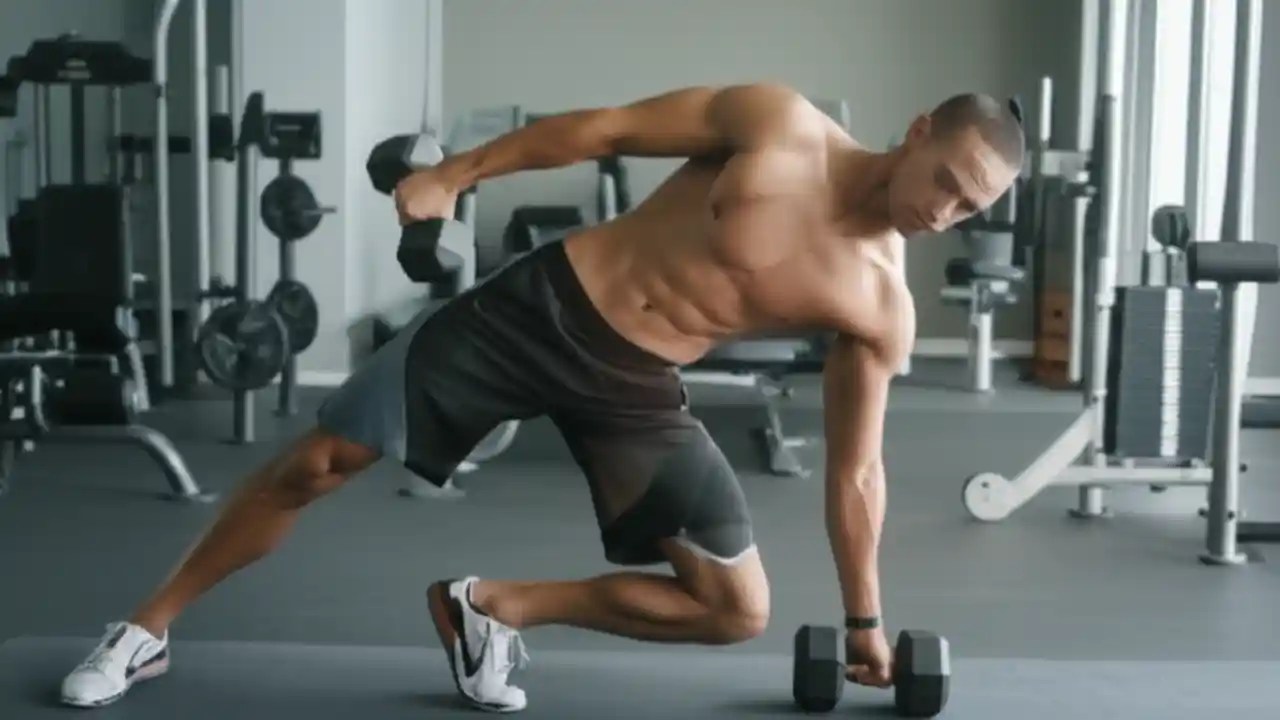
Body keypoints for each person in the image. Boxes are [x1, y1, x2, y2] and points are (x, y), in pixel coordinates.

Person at [60, 83, 1023, 712]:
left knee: (735, 610)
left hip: (638, 387)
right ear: (919, 131)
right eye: (947, 180)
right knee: (316, 463)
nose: (945, 210)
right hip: (541, 304)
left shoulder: (881, 302)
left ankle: (490, 609)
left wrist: (864, 621)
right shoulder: (778, 123)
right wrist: (448, 176)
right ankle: (145, 632)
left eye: (970, 209)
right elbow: (599, 130)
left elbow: (858, 472)